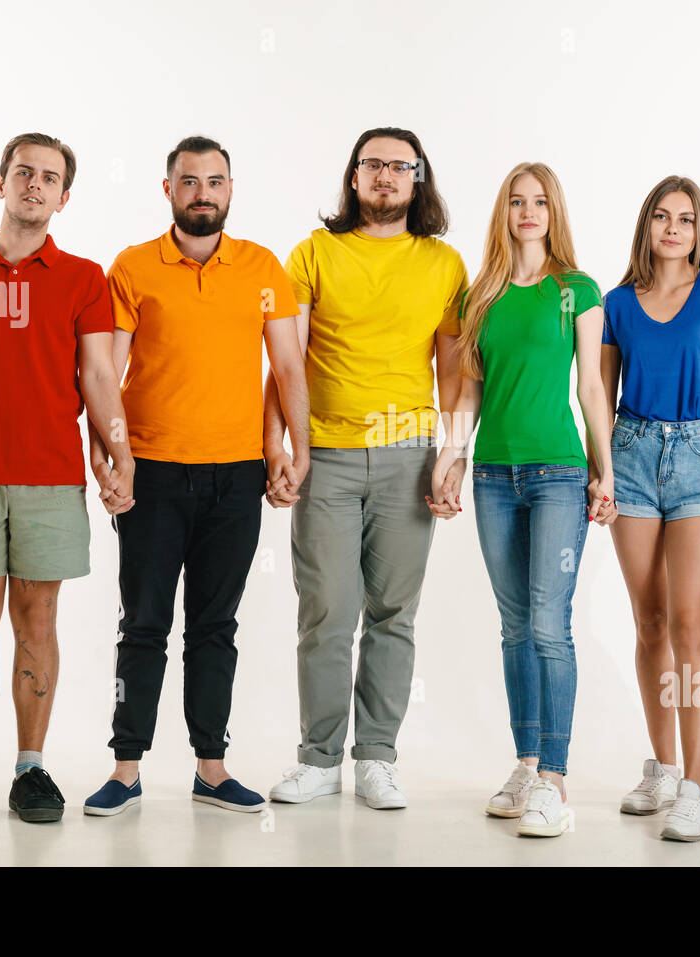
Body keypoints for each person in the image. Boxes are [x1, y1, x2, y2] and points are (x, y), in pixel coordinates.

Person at [80, 136, 310, 817]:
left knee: (216, 624)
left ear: (231, 189)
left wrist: (295, 452)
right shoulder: (132, 267)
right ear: (168, 189)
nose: (202, 191)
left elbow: (289, 368)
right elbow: (106, 376)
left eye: (214, 180)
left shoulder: (264, 267)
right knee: (143, 622)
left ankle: (212, 765)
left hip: (236, 475)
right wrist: (111, 455)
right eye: (189, 180)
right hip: (151, 472)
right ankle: (126, 767)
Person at [0, 132, 133, 827]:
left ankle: (31, 767)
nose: (34, 184)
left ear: (64, 197)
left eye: (49, 178)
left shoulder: (84, 279)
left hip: (49, 480)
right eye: (23, 172)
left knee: (38, 618)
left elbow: (99, 376)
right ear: (1, 181)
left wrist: (118, 449)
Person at [264, 127, 468, 809]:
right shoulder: (313, 253)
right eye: (371, 164)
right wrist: (280, 448)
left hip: (410, 458)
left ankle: (377, 756)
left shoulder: (444, 264)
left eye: (398, 166)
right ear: (353, 178)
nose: (384, 176)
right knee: (326, 611)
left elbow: (455, 370)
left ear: (418, 179)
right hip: (324, 456)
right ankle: (320, 759)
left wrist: (454, 452)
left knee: (393, 613)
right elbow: (284, 361)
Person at [429, 162, 615, 838]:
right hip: (493, 479)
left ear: (553, 211)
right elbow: (468, 391)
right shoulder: (482, 293)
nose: (529, 211)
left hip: (560, 473)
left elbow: (592, 387)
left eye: (540, 201)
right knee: (513, 625)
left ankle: (556, 779)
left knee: (548, 622)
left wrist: (606, 469)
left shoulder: (577, 290)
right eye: (517, 201)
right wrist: (451, 455)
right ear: (503, 212)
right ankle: (527, 761)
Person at [600, 175, 700, 841]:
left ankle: (696, 785)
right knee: (651, 621)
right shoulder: (615, 303)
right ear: (647, 226)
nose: (673, 229)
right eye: (662, 217)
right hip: (632, 454)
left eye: (686, 219)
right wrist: (599, 476)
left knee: (691, 624)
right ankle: (662, 766)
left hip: (698, 455)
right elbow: (598, 396)